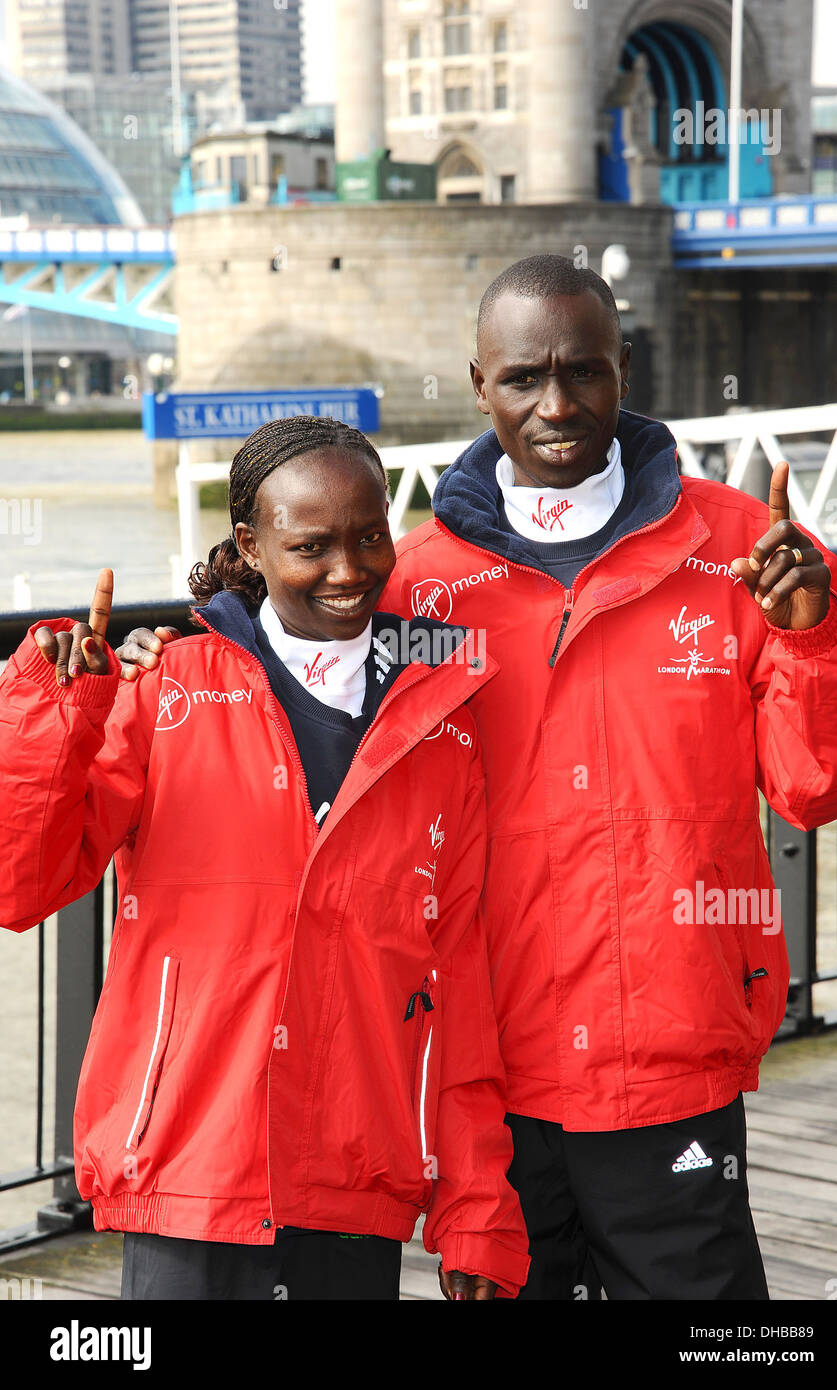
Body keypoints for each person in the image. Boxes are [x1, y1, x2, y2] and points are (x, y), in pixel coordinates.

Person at [119, 257, 837, 1301]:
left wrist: (819, 632)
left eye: (583, 372)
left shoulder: (745, 553)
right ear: (479, 384)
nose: (556, 405)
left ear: (626, 369)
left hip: (667, 1056)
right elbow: (295, 722)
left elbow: (817, 787)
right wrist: (175, 664)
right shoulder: (408, 579)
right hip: (484, 1075)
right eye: (523, 378)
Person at [0, 415, 530, 1302]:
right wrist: (52, 718)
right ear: (251, 543)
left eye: (370, 538)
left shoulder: (444, 730)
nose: (350, 570)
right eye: (311, 545)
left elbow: (459, 988)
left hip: (356, 1179)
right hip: (187, 1170)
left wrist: (477, 1209)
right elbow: (22, 887)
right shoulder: (163, 690)